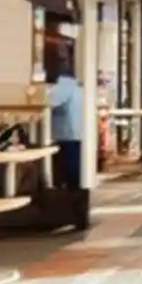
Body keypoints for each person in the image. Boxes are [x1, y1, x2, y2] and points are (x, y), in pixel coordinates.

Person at [49, 58, 83, 190]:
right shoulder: (75, 85)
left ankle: (68, 194)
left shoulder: (64, 84)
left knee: (68, 167)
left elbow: (50, 102)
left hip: (66, 134)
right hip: (75, 132)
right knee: (74, 167)